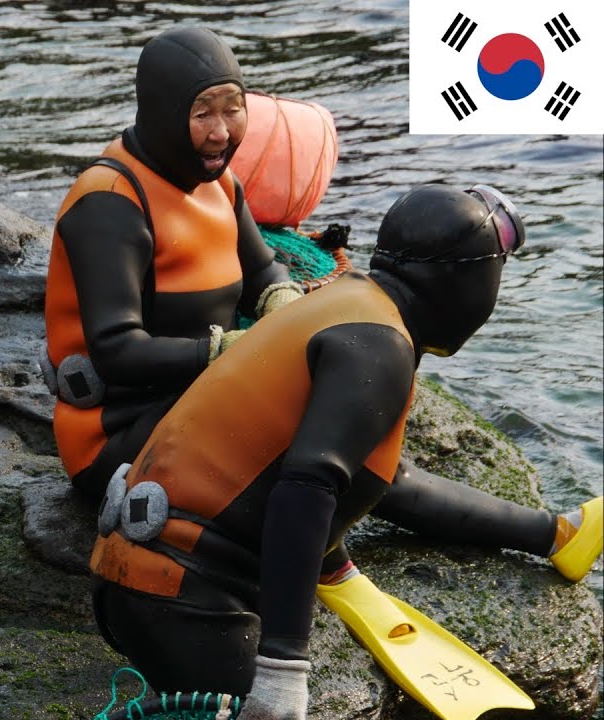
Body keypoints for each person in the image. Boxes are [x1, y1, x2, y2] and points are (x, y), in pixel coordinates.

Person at [89, 183, 602, 719]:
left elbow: (365, 478)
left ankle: (559, 533)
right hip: (186, 605)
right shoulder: (379, 345)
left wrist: (332, 564)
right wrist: (283, 671)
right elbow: (307, 489)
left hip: (138, 583)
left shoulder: (350, 302)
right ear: (467, 282)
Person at [42, 27, 307, 502]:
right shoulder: (110, 202)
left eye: (233, 109)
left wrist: (283, 303)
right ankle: (326, 570)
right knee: (308, 457)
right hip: (119, 436)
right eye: (202, 113)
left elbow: (262, 272)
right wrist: (230, 352)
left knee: (339, 428)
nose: (221, 132)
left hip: (207, 396)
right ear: (163, 113)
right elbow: (117, 350)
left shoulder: (221, 184)